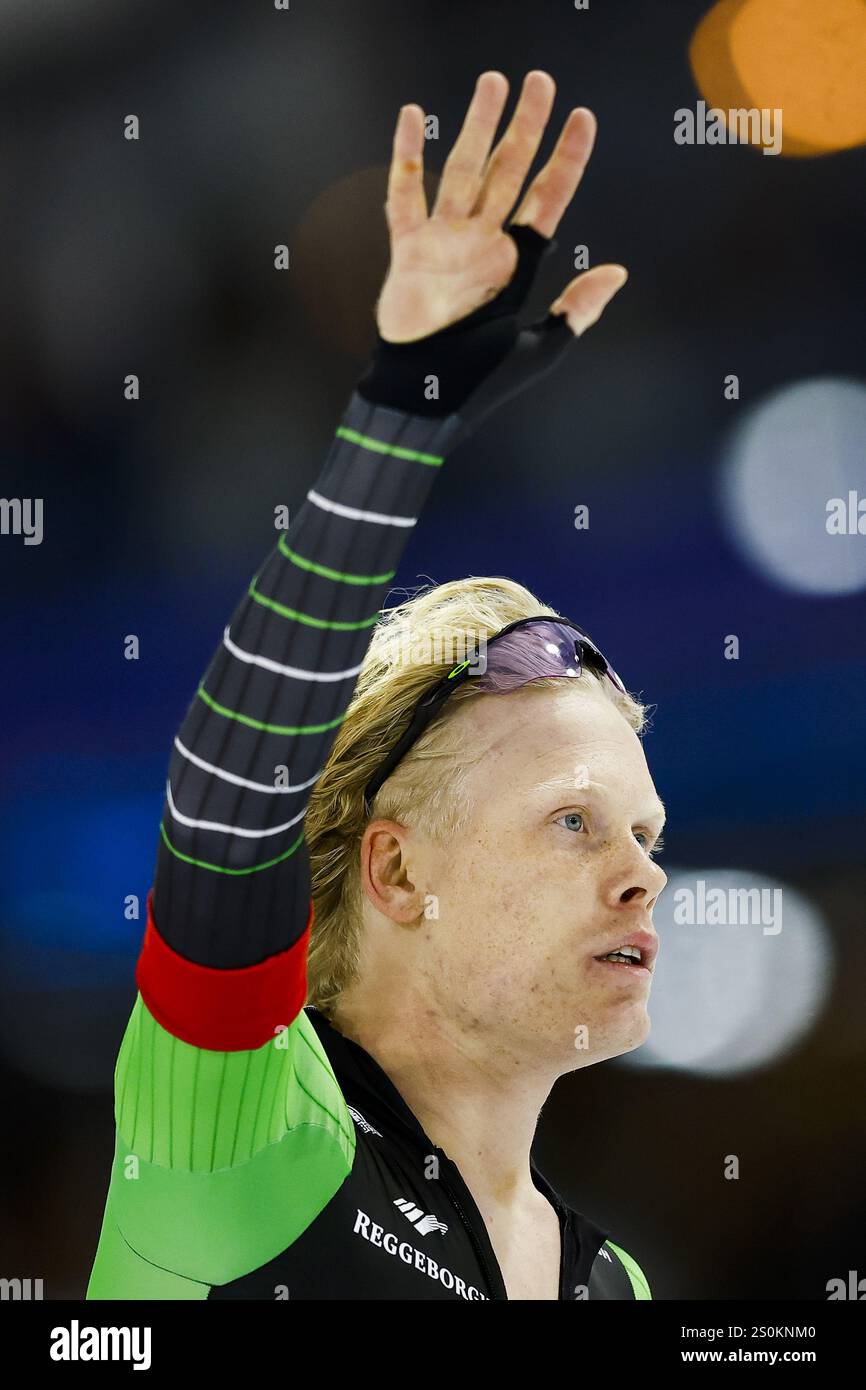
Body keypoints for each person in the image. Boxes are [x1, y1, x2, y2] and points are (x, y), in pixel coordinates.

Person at [87, 68, 664, 1301]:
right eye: (572, 822)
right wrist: (398, 422)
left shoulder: (609, 1281)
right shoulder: (248, 1126)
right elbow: (230, 796)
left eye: (640, 830)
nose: (643, 874)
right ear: (396, 871)